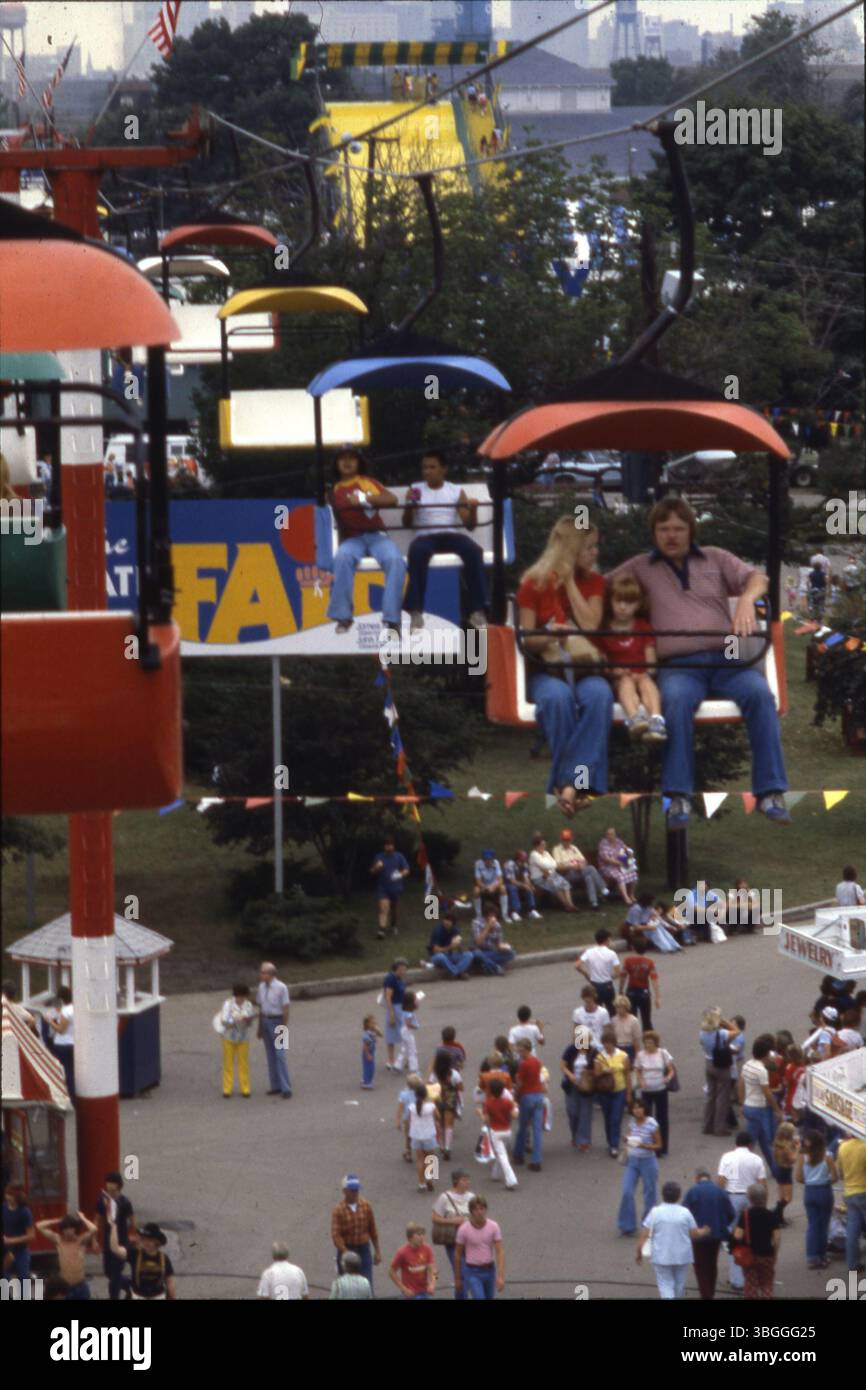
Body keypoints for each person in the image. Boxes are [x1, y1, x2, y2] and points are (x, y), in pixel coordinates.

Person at [607, 497, 789, 828]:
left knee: (760, 695)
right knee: (674, 700)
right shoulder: (640, 566)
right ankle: (677, 796)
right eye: (664, 530)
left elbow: (758, 578)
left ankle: (770, 791)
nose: (672, 536)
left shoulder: (716, 558)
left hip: (726, 655)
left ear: (691, 530)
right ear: (654, 533)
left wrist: (747, 599)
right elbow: (599, 589)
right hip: (679, 663)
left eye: (678, 528)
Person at [516, 518, 612, 815]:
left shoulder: (594, 582)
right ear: (571, 549)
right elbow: (526, 640)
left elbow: (591, 624)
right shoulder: (533, 584)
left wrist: (569, 583)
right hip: (546, 669)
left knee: (600, 697)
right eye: (589, 548)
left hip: (584, 668)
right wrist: (550, 636)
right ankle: (579, 786)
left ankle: (565, 786)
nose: (595, 553)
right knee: (558, 700)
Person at [403, 451, 488, 630]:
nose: (427, 472)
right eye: (424, 467)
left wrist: (473, 510)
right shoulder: (416, 489)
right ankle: (415, 611)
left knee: (474, 551)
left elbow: (469, 525)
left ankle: (477, 610)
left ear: (444, 470)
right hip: (426, 535)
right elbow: (407, 523)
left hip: (450, 534)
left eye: (432, 467)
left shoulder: (455, 491)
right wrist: (409, 505)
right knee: (417, 551)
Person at [327, 449, 405, 635]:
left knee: (395, 560)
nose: (347, 463)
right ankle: (343, 616)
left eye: (351, 459)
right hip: (352, 539)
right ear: (336, 464)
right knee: (342, 557)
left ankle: (392, 619)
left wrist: (363, 498)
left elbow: (391, 499)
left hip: (376, 536)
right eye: (342, 459)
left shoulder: (366, 482)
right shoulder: (333, 490)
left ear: (358, 462)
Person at [597, 573, 667, 741]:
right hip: (619, 677)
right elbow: (602, 661)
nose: (622, 607)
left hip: (641, 674)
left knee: (646, 683)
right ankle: (634, 718)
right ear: (611, 602)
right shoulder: (604, 628)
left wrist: (646, 672)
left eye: (629, 602)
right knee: (626, 683)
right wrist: (615, 671)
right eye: (618, 601)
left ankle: (657, 720)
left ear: (638, 604)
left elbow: (651, 661)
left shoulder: (643, 626)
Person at [637, 1181, 707, 1300]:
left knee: (665, 1285)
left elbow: (644, 1235)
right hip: (682, 1256)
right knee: (679, 1285)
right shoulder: (685, 1213)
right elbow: (694, 1234)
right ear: (679, 1195)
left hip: (661, 1256)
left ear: (662, 1195)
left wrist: (638, 1253)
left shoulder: (655, 1212)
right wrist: (704, 1231)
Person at [718, 1133, 767, 1293]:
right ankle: (753, 1275)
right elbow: (762, 1185)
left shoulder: (726, 1157)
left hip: (732, 1198)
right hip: (751, 1198)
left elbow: (721, 1181)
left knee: (734, 1239)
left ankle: (737, 1280)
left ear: (736, 1143)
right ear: (750, 1144)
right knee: (753, 1236)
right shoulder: (756, 1159)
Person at [683, 1168, 735, 1300]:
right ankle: (710, 1291)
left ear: (697, 1178)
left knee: (700, 1266)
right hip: (716, 1235)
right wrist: (721, 1225)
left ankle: (706, 1294)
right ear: (709, 1178)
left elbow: (684, 1213)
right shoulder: (721, 1192)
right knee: (712, 1263)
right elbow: (731, 1214)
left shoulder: (693, 1191)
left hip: (698, 1236)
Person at [739, 1036, 782, 1176]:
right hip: (758, 1108)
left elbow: (740, 1084)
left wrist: (742, 1102)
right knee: (749, 1144)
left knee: (764, 1141)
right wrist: (776, 1109)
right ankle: (741, 1170)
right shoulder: (761, 1070)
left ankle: (775, 1169)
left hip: (748, 1105)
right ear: (766, 1054)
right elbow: (767, 1093)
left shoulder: (747, 1065)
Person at [617, 1097, 661, 1234]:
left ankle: (648, 1224)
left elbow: (659, 1145)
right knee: (627, 1191)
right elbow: (630, 1139)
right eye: (635, 1108)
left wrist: (644, 1145)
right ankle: (627, 1225)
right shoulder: (632, 1123)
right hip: (633, 1161)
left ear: (645, 1109)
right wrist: (627, 1140)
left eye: (640, 1107)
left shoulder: (652, 1124)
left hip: (648, 1161)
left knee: (650, 1193)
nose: (637, 1110)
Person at [795, 1130, 838, 1269]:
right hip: (824, 1190)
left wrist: (809, 1181)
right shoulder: (828, 1156)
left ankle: (812, 1256)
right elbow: (835, 1177)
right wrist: (825, 1180)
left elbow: (798, 1177)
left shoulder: (803, 1156)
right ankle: (821, 1255)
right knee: (823, 1225)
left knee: (813, 1224)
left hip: (810, 1191)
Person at [331, 1175, 381, 1292]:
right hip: (347, 1249)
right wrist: (345, 1252)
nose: (355, 1193)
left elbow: (372, 1229)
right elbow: (336, 1235)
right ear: (344, 1191)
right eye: (352, 1190)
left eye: (357, 1190)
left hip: (364, 1249)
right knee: (346, 1287)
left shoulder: (366, 1206)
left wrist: (377, 1251)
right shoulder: (338, 1210)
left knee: (367, 1284)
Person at [733, 1184, 782, 1299]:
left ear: (750, 1199)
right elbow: (777, 1238)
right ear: (765, 1198)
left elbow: (738, 1236)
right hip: (767, 1254)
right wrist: (775, 1254)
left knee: (751, 1285)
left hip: (750, 1256)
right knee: (767, 1284)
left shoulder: (745, 1215)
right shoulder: (772, 1215)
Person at [431, 1171, 475, 1299]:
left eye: (468, 1180)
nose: (468, 1182)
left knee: (470, 1271)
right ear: (456, 1181)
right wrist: (453, 1220)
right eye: (464, 1180)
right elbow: (435, 1217)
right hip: (453, 1241)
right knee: (461, 1272)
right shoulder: (444, 1197)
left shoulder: (472, 1197)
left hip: (470, 1240)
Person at [108, 1220, 177, 1300]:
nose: (146, 1242)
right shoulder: (134, 1254)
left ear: (157, 1242)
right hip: (137, 1296)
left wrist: (172, 1296)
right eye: (144, 1239)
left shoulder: (164, 1259)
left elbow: (170, 1282)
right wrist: (113, 1226)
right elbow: (115, 1249)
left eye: (150, 1240)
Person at [36, 1212, 98, 1299]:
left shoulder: (81, 1241)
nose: (68, 1231)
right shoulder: (58, 1240)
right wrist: (58, 1220)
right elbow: (39, 1226)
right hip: (65, 1287)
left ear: (75, 1228)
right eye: (65, 1228)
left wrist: (83, 1218)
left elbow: (94, 1229)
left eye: (71, 1228)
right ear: (62, 1230)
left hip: (80, 1286)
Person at [95, 1172, 136, 1301]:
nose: (108, 1185)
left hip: (121, 1241)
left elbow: (132, 1220)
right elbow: (98, 1220)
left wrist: (132, 1236)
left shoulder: (124, 1202)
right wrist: (95, 1239)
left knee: (116, 1273)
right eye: (107, 1182)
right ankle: (130, 1284)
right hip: (108, 1241)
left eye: (111, 1182)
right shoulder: (102, 1201)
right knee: (108, 1272)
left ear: (118, 1185)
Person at [454, 1196, 504, 1300]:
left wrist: (500, 1276)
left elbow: (499, 1252)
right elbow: (458, 1254)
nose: (479, 1212)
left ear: (485, 1210)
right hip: (472, 1271)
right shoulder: (463, 1229)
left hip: (489, 1270)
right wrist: (458, 1278)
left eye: (482, 1208)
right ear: (471, 1211)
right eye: (476, 1209)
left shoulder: (493, 1226)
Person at [700, 1007, 739, 1137]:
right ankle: (719, 1127)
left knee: (711, 1095)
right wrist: (726, 1022)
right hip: (721, 1065)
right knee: (722, 1097)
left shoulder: (702, 1033)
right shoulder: (721, 1033)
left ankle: (707, 1125)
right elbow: (736, 1031)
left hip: (709, 1063)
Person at [635, 1030, 675, 1157]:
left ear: (656, 1043)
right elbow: (637, 1070)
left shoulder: (663, 1053)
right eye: (646, 1043)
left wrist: (668, 1078)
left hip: (660, 1089)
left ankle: (662, 1148)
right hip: (646, 1091)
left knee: (662, 1119)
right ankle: (648, 1146)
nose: (648, 1045)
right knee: (646, 1119)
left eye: (651, 1043)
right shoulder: (640, 1055)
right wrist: (641, 1081)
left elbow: (670, 1070)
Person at [594, 1026, 632, 1157]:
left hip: (619, 1090)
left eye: (609, 1043)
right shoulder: (600, 1057)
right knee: (608, 1117)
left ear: (613, 1043)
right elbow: (596, 1073)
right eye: (604, 1043)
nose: (607, 1046)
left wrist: (629, 1092)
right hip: (605, 1091)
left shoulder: (623, 1056)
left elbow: (627, 1074)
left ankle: (614, 1145)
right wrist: (604, 1071)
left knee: (616, 1118)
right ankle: (610, 1141)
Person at [256, 962, 292, 1098]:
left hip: (277, 1021)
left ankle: (286, 1087)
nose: (261, 975)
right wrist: (259, 1028)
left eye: (263, 973)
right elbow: (261, 1007)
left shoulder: (281, 987)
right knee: (270, 1054)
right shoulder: (261, 987)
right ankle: (275, 1085)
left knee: (280, 1055)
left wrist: (283, 1027)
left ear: (271, 974)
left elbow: (286, 1008)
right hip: (265, 1020)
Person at [551, 829, 609, 908]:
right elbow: (558, 866)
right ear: (561, 839)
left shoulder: (574, 848)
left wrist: (581, 865)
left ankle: (594, 903)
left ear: (571, 839)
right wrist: (571, 866)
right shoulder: (557, 849)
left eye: (568, 840)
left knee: (589, 877)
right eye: (565, 840)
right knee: (591, 869)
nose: (567, 842)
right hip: (567, 873)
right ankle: (602, 888)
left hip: (580, 871)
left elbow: (584, 860)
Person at [560, 1025, 596, 1151]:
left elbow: (597, 1067)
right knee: (572, 1112)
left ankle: (584, 1141)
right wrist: (570, 1075)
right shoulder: (571, 1049)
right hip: (572, 1085)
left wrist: (590, 1072)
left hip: (587, 1086)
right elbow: (563, 1065)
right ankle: (575, 1135)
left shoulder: (593, 1051)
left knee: (585, 1113)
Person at [512, 1038, 546, 1172]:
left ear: (525, 1049)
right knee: (537, 1129)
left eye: (520, 1049)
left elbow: (520, 1083)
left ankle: (518, 1154)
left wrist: (515, 1095)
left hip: (527, 1096)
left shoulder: (524, 1064)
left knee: (523, 1127)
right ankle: (536, 1159)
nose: (518, 1051)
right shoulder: (536, 1061)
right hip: (538, 1095)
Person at [218, 982, 255, 1099]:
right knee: (228, 1063)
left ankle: (245, 1088)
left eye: (244, 996)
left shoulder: (248, 1005)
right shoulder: (228, 1004)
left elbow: (250, 1022)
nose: (242, 998)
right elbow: (224, 1020)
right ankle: (227, 1089)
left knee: (243, 1063)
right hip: (229, 1037)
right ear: (236, 995)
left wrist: (248, 1020)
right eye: (240, 996)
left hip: (243, 1037)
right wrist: (236, 1019)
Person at [480, 1078, 519, 1190]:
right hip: (507, 1131)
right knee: (501, 1153)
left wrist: (480, 1114)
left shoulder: (488, 1103)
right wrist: (515, 1107)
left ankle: (511, 1180)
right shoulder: (507, 1102)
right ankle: (495, 1174)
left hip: (495, 1132)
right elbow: (514, 1116)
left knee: (502, 1156)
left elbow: (486, 1120)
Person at [835, 1134, 866, 1273]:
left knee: (852, 1232)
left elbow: (840, 1171)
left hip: (849, 1192)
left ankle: (853, 1264)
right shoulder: (864, 1147)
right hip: (863, 1191)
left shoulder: (842, 1147)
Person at [371, 837, 410, 940]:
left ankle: (394, 925)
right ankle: (381, 930)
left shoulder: (399, 856)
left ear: (393, 846)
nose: (388, 847)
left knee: (394, 910)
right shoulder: (379, 857)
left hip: (396, 888)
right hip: (383, 888)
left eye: (390, 845)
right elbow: (372, 872)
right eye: (386, 845)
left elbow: (406, 869)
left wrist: (399, 875)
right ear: (384, 846)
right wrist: (377, 868)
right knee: (384, 908)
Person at [575, 927, 622, 1012]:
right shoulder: (612, 953)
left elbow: (577, 965)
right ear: (606, 940)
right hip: (607, 985)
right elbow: (618, 972)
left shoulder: (589, 951)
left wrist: (586, 974)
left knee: (596, 1011)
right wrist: (611, 977)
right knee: (612, 1010)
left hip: (594, 985)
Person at [528, 832, 577, 912]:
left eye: (544, 845)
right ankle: (567, 906)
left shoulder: (546, 853)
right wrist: (549, 865)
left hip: (551, 875)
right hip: (540, 879)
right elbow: (545, 865)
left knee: (565, 884)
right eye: (542, 845)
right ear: (537, 846)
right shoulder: (534, 855)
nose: (544, 847)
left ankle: (571, 905)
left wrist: (549, 866)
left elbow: (554, 863)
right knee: (556, 885)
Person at [430, 1048, 462, 1160]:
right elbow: (460, 1087)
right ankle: (448, 1147)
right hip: (450, 1099)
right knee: (449, 1124)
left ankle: (442, 1145)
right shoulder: (454, 1074)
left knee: (439, 1123)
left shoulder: (435, 1074)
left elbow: (431, 1086)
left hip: (438, 1099)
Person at [390, 1222, 437, 1299]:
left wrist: (433, 1284)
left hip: (425, 1291)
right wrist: (404, 1289)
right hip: (411, 1293)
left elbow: (434, 1270)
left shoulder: (427, 1249)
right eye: (418, 1235)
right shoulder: (402, 1252)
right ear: (410, 1238)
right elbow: (391, 1272)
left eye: (423, 1234)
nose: (422, 1237)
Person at [622, 936, 660, 1029]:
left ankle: (632, 1039)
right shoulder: (649, 962)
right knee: (646, 1020)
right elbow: (654, 979)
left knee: (631, 1019)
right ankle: (649, 1040)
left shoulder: (628, 961)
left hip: (631, 992)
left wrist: (620, 990)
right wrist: (657, 997)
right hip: (644, 993)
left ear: (633, 948)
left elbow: (623, 976)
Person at [596, 827, 638, 904]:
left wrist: (629, 852)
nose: (609, 836)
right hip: (607, 867)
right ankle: (626, 898)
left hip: (619, 865)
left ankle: (631, 894)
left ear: (615, 835)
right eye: (608, 834)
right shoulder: (603, 844)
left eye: (611, 834)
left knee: (633, 874)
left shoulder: (619, 842)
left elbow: (626, 849)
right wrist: (620, 863)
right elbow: (606, 859)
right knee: (620, 876)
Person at [409, 1083, 439, 1192]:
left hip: (416, 1135)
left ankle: (421, 1183)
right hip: (429, 1135)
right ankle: (430, 1179)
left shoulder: (412, 1107)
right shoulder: (430, 1106)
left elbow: (410, 1118)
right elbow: (438, 1116)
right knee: (431, 1157)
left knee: (420, 1159)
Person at [2, 1182, 35, 1281]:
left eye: (11, 1195)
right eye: (7, 1194)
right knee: (4, 1277)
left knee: (24, 1278)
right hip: (6, 1251)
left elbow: (31, 1235)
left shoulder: (24, 1212)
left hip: (21, 1251)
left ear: (17, 1196)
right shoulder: (3, 1207)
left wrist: (11, 1240)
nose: (7, 1197)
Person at [427, 914, 476, 980]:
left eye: (449, 921)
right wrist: (450, 947)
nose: (446, 922)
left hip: (449, 955)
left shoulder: (455, 930)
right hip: (435, 956)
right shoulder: (438, 931)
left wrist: (459, 945)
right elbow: (435, 950)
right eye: (445, 920)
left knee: (469, 955)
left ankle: (455, 972)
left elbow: (461, 951)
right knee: (441, 957)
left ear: (453, 923)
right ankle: (458, 973)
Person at [47, 986, 74, 1098]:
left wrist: (49, 1021)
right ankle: (73, 1094)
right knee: (71, 1070)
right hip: (73, 1043)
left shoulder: (65, 1011)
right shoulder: (75, 1008)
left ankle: (68, 1094)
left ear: (62, 999)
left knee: (64, 1071)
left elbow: (61, 1030)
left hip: (62, 1044)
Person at [382, 957, 408, 1068]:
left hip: (402, 1008)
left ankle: (403, 1059)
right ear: (395, 969)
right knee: (391, 1035)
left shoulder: (400, 979)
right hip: (394, 1008)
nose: (403, 971)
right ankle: (391, 1060)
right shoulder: (390, 979)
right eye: (401, 969)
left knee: (405, 1035)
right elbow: (388, 997)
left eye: (404, 969)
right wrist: (391, 1014)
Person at [472, 910, 515, 976]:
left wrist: (504, 947)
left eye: (494, 916)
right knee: (477, 954)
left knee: (511, 953)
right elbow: (478, 942)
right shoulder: (477, 923)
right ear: (485, 916)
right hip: (478, 950)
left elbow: (498, 944)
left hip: (490, 952)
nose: (493, 918)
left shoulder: (497, 925)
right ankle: (496, 968)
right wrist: (488, 927)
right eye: (491, 916)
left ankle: (486, 966)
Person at [503, 851, 542, 921]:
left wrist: (529, 885)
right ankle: (515, 912)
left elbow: (526, 878)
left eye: (524, 860)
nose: (523, 862)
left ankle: (531, 910)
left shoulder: (525, 865)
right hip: (508, 884)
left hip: (519, 883)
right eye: (522, 860)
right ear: (517, 859)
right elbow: (511, 880)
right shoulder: (509, 864)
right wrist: (523, 885)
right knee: (513, 888)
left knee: (528, 888)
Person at [473, 849, 510, 923]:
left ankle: (504, 915)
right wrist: (485, 887)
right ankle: (479, 915)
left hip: (494, 885)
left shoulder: (496, 863)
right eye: (485, 859)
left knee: (503, 888)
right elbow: (477, 881)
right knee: (476, 890)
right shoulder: (478, 864)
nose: (487, 861)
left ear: (493, 859)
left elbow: (500, 880)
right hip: (483, 886)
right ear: (483, 859)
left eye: (489, 859)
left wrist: (493, 887)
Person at [772, 1122, 799, 1225]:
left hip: (779, 1168)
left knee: (782, 1196)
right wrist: (797, 1148)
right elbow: (793, 1159)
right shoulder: (786, 1147)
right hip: (786, 1171)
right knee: (788, 1198)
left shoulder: (778, 1143)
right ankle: (776, 1213)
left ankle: (780, 1216)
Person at [394, 990, 420, 1075]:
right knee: (412, 1049)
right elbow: (408, 1024)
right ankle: (414, 1069)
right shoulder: (409, 1013)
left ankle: (397, 1065)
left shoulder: (405, 1011)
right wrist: (416, 1026)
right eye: (415, 999)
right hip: (407, 1031)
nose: (417, 1001)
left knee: (404, 1048)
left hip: (403, 1031)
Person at [612, 995, 642, 1060]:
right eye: (617, 1007)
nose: (619, 1010)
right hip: (617, 1048)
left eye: (621, 1007)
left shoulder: (634, 1021)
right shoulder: (613, 1020)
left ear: (626, 1007)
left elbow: (636, 1040)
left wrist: (637, 1056)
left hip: (629, 1049)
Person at [361, 1014, 382, 1089]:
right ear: (367, 1025)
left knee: (372, 1067)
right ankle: (366, 1082)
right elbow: (365, 1047)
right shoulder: (366, 1035)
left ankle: (366, 1080)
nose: (374, 1024)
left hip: (372, 1052)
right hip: (367, 1053)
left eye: (375, 1023)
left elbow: (381, 1035)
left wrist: (377, 1030)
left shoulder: (374, 1032)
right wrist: (367, 1055)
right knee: (368, 1068)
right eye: (372, 1023)